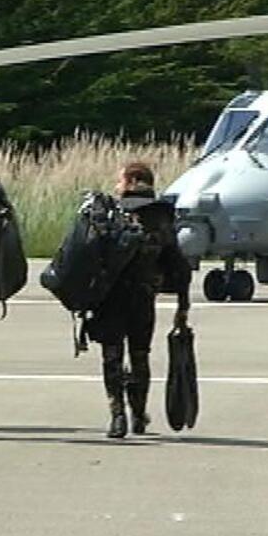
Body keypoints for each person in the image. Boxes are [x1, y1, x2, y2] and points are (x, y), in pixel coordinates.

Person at [86, 162, 191, 438]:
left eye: (119, 180)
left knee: (112, 355)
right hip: (143, 297)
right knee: (140, 355)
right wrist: (183, 305)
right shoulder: (159, 217)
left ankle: (116, 414)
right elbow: (177, 264)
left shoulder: (109, 211)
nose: (116, 185)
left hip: (109, 298)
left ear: (132, 180)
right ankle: (138, 415)